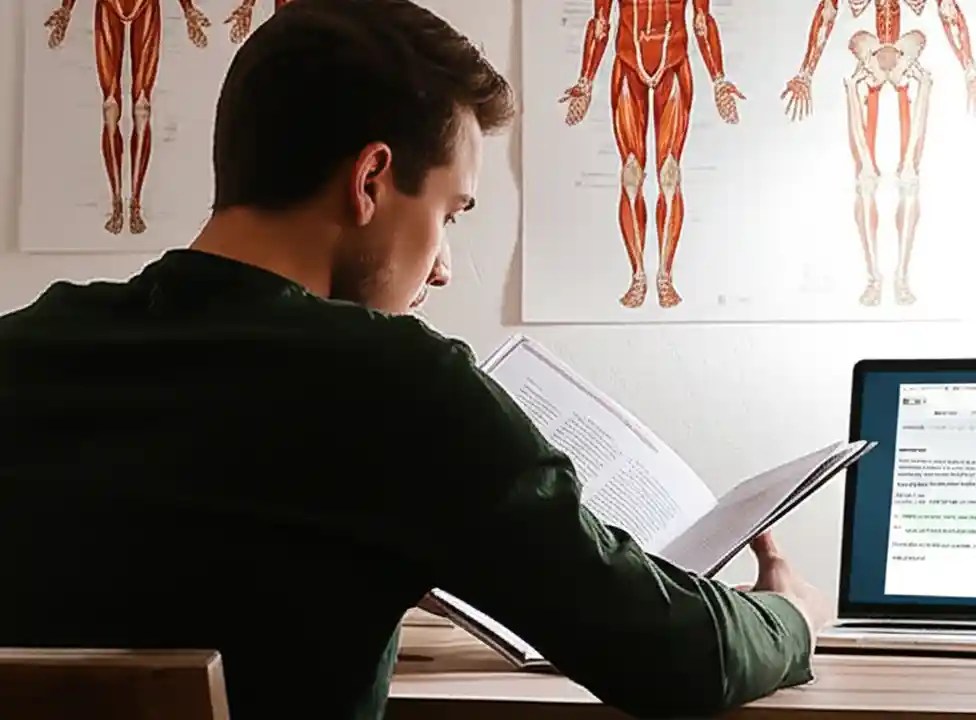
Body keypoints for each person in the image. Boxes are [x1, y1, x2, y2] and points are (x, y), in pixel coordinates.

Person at [0, 1, 833, 718]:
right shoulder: (399, 388)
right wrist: (786, 616)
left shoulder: (24, 349)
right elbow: (677, 657)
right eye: (451, 213)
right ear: (370, 179)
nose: (440, 266)